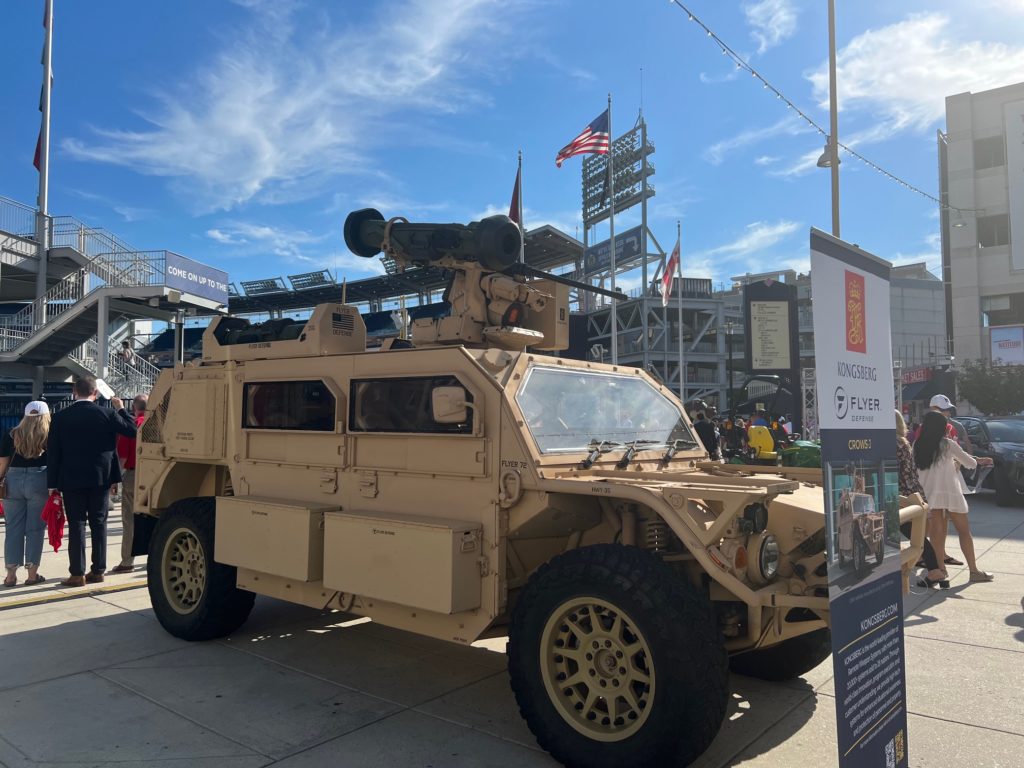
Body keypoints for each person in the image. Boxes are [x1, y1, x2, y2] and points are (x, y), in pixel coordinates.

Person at [47, 376, 138, 588]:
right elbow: (133, 431)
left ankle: (77, 573)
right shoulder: (107, 414)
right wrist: (122, 409)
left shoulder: (60, 417)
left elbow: (54, 453)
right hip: (101, 478)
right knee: (99, 524)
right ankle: (98, 570)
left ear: (74, 393)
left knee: (77, 525)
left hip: (71, 478)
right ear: (95, 393)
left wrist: (52, 484)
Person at [913, 410, 994, 583]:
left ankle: (941, 569)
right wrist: (966, 461)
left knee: (937, 534)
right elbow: (970, 463)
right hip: (950, 494)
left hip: (929, 495)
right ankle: (974, 571)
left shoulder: (918, 445)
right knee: (964, 532)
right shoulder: (948, 444)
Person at [1, 401, 51, 587]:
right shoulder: (49, 436)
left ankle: (11, 574)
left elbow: (2, 463)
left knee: (13, 527)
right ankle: (32, 573)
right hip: (39, 480)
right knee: (35, 528)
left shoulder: (12, 434)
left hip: (13, 481)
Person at [894, 410, 946, 588]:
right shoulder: (904, 442)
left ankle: (934, 570)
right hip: (913, 492)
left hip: (902, 494)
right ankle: (934, 569)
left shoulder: (894, 444)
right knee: (914, 532)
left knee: (910, 531)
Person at [110, 393, 148, 574]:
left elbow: (123, 458)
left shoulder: (132, 426)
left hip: (134, 475)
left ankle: (127, 561)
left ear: (134, 408)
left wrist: (117, 479)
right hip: (157, 474)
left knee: (130, 520)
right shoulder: (160, 423)